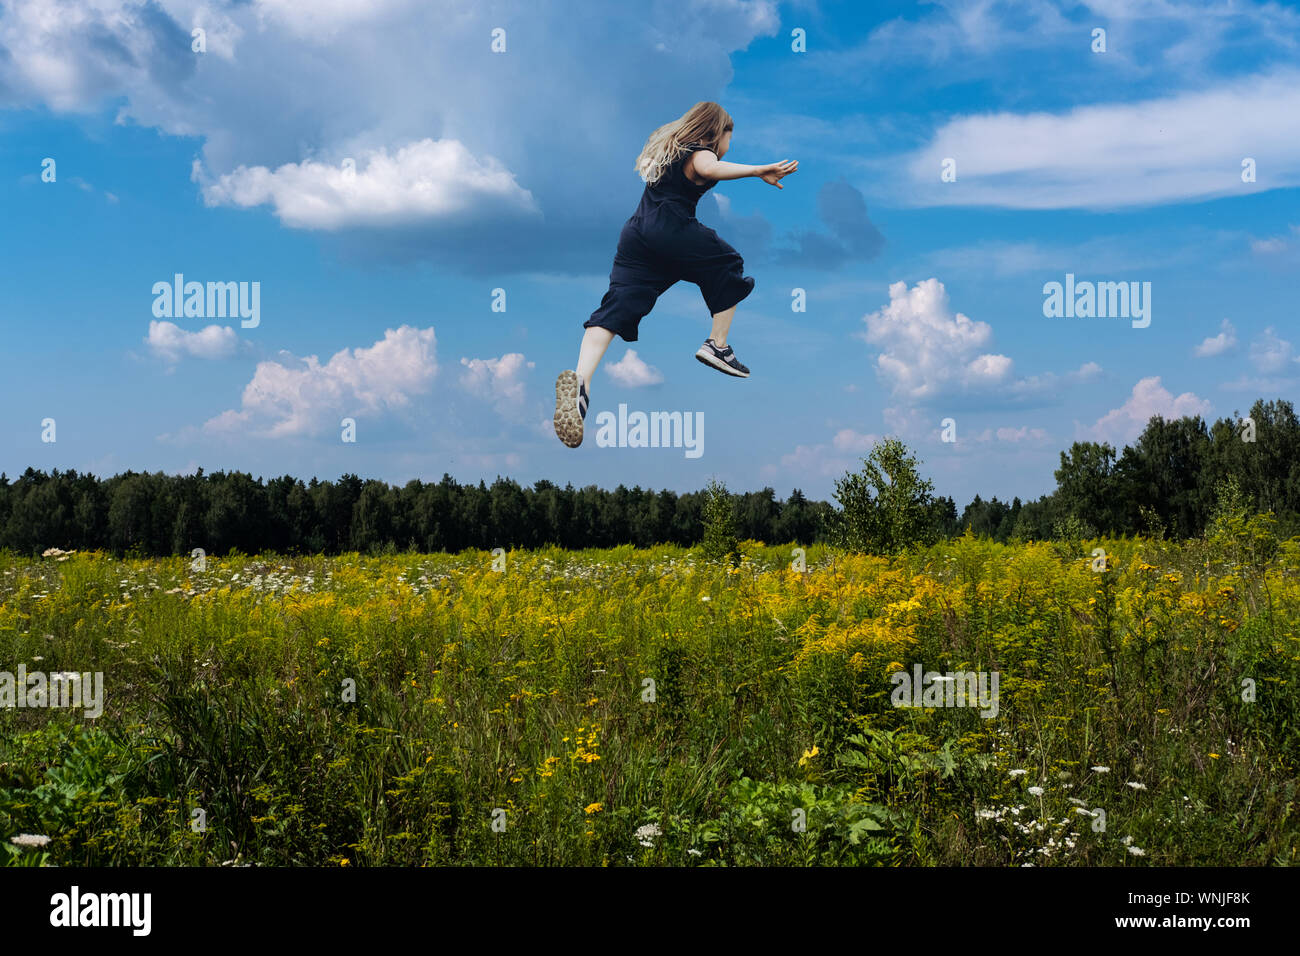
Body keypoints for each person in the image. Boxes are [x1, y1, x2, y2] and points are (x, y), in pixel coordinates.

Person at [553, 100, 798, 448]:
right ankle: (718, 345)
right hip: (669, 228)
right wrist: (757, 170)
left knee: (619, 305)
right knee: (727, 264)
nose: (730, 144)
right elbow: (710, 167)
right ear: (717, 132)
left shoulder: (668, 151)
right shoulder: (700, 152)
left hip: (637, 235)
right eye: (730, 137)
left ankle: (581, 384)